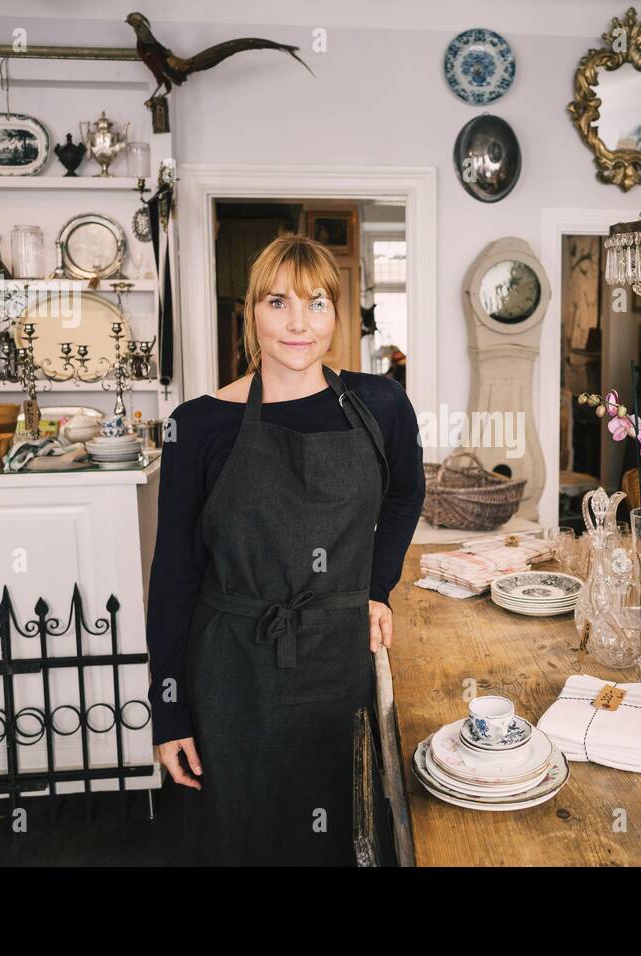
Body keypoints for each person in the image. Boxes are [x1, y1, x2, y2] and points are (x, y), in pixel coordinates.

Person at [145, 234, 425, 864]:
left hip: (339, 662)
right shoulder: (197, 425)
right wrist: (169, 713)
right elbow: (172, 578)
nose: (299, 323)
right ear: (251, 314)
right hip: (232, 671)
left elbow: (406, 495)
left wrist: (378, 587)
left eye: (316, 303)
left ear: (337, 315)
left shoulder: (381, 404)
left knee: (342, 834)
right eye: (278, 302)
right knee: (241, 837)